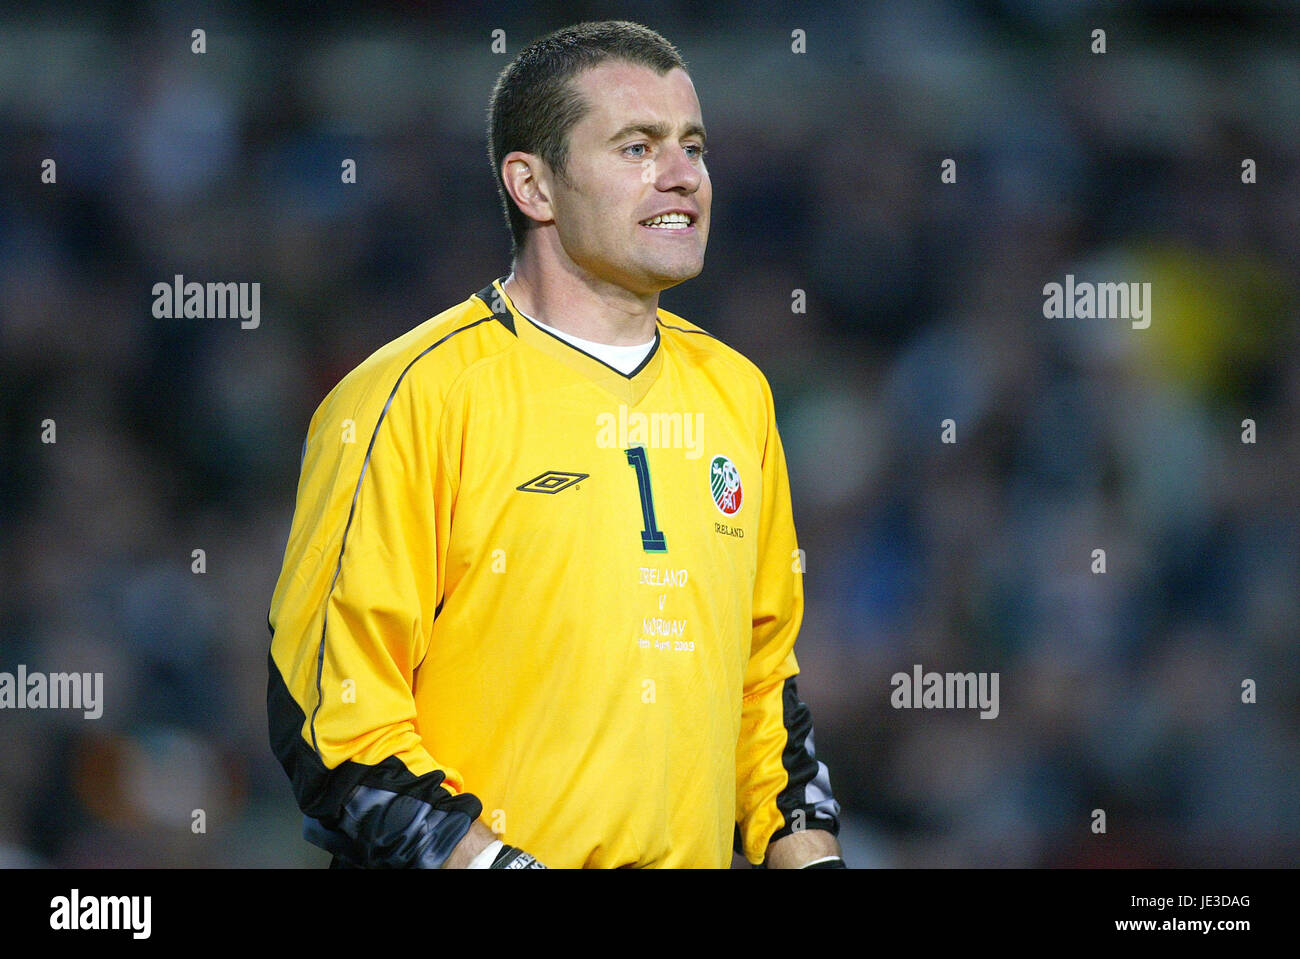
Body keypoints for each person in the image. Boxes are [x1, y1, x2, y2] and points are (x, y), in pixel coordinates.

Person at [267, 19, 843, 869]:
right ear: (533, 186)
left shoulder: (739, 394)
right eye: (637, 147)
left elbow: (765, 697)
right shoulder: (409, 394)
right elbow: (333, 716)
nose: (683, 175)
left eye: (693, 145)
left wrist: (814, 857)